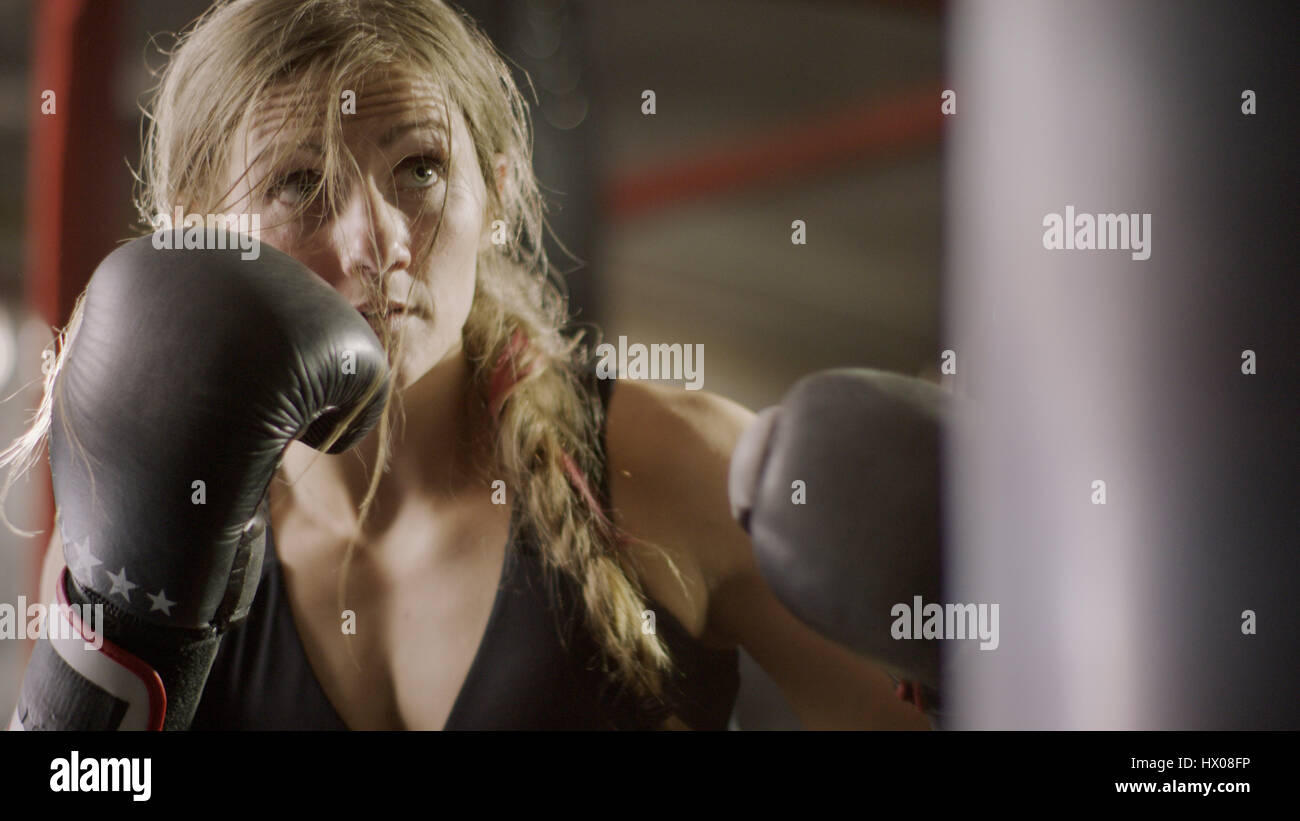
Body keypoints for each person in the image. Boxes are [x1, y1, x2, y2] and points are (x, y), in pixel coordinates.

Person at [8, 0, 930, 731]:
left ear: (498, 187)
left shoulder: (673, 465)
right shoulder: (153, 514)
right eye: (299, 183)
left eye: (419, 168)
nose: (378, 244)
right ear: (195, 228)